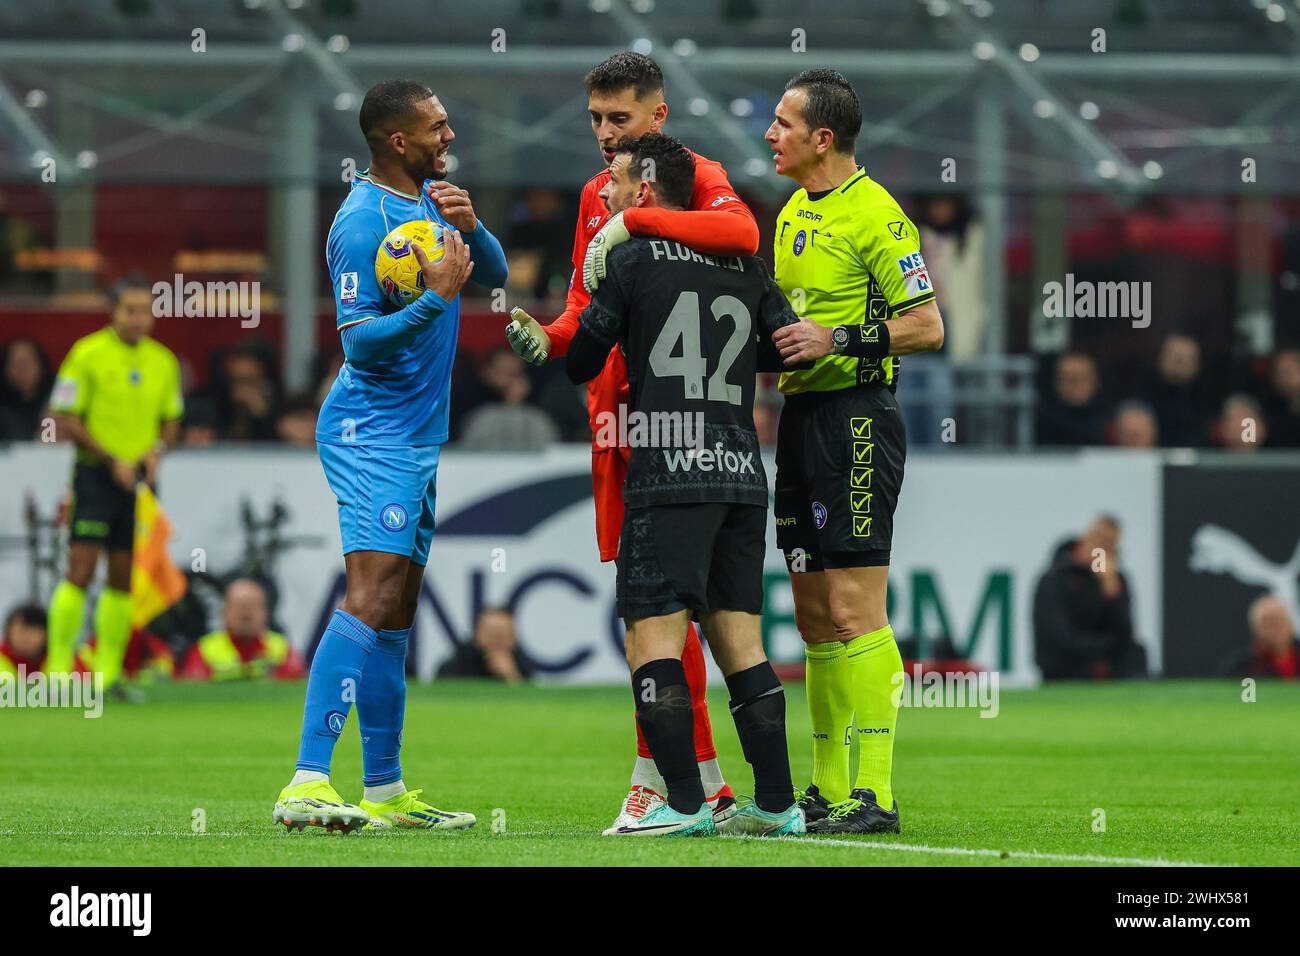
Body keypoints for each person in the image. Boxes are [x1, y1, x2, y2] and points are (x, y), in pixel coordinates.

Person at [503, 52, 760, 832]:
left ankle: (668, 781)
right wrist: (548, 336)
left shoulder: (697, 176)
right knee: (654, 607)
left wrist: (635, 218)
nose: (607, 136)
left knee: (663, 608)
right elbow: (589, 300)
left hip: (680, 419)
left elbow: (741, 232)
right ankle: (703, 778)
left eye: (622, 120)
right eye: (596, 120)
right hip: (614, 409)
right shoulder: (595, 193)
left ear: (659, 117)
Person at [273, 79, 507, 833]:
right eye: (438, 126)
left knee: (398, 613)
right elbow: (357, 340)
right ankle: (307, 780)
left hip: (415, 435)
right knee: (370, 597)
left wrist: (479, 230)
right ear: (399, 141)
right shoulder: (361, 218)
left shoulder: (432, 203)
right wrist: (435, 299)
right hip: (369, 432)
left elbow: (492, 275)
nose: (450, 134)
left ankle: (385, 790)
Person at [567, 133, 803, 837]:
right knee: (740, 643)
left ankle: (680, 804)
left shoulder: (631, 258)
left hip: (669, 464)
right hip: (740, 465)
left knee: (652, 640)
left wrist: (607, 306)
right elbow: (781, 345)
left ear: (643, 190)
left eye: (612, 183)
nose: (603, 195)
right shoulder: (746, 263)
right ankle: (778, 807)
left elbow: (582, 359)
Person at [763, 70, 944, 834]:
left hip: (858, 421)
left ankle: (877, 793)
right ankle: (826, 787)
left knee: (853, 607)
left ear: (822, 138)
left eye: (782, 123)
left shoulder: (879, 216)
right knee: (810, 613)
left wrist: (838, 339)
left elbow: (928, 325)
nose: (770, 135)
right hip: (801, 422)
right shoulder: (792, 211)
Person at [45, 277, 183, 685]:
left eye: (146, 310)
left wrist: (156, 451)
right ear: (114, 311)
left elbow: (171, 421)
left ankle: (107, 673)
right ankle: (58, 668)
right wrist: (111, 460)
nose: (140, 319)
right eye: (131, 310)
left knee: (124, 574)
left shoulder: (163, 361)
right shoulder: (87, 354)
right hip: (95, 476)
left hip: (138, 483)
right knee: (81, 568)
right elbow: (66, 418)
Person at [1033, 515, 1147, 680]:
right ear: (1085, 538)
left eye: (1108, 545)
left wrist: (1110, 592)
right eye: (1098, 540)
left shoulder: (1115, 581)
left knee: (1138, 655)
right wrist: (1105, 647)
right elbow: (1059, 636)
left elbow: (1125, 634)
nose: (1100, 550)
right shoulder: (1055, 579)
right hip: (1065, 668)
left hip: (1109, 666)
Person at [183, 578, 304, 681]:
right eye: (239, 607)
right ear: (224, 613)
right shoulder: (203, 650)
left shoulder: (283, 649)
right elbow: (194, 688)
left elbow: (295, 684)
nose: (246, 614)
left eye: (253, 606)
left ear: (265, 613)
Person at [436, 607, 535, 682]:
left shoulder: (524, 668)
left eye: (502, 634)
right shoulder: (453, 667)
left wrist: (512, 676)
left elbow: (533, 704)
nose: (496, 640)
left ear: (514, 638)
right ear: (476, 635)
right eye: (490, 633)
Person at [1036, 351, 1109, 447]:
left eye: (1082, 378)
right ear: (1056, 383)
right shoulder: (1038, 423)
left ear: (1097, 381)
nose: (1075, 384)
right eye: (1067, 378)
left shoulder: (1110, 422)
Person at [1226, 594, 1297, 680]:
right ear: (1255, 628)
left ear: (1290, 625)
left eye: (1279, 621)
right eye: (1267, 623)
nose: (1274, 628)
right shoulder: (1241, 667)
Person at [0, 337, 53, 441]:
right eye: (14, 363)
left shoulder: (56, 403)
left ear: (41, 366)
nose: (21, 369)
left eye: (26, 362)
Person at [0, 603, 49, 674]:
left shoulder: (57, 662)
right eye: (21, 630)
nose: (25, 638)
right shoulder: (2, 658)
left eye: (32, 632)